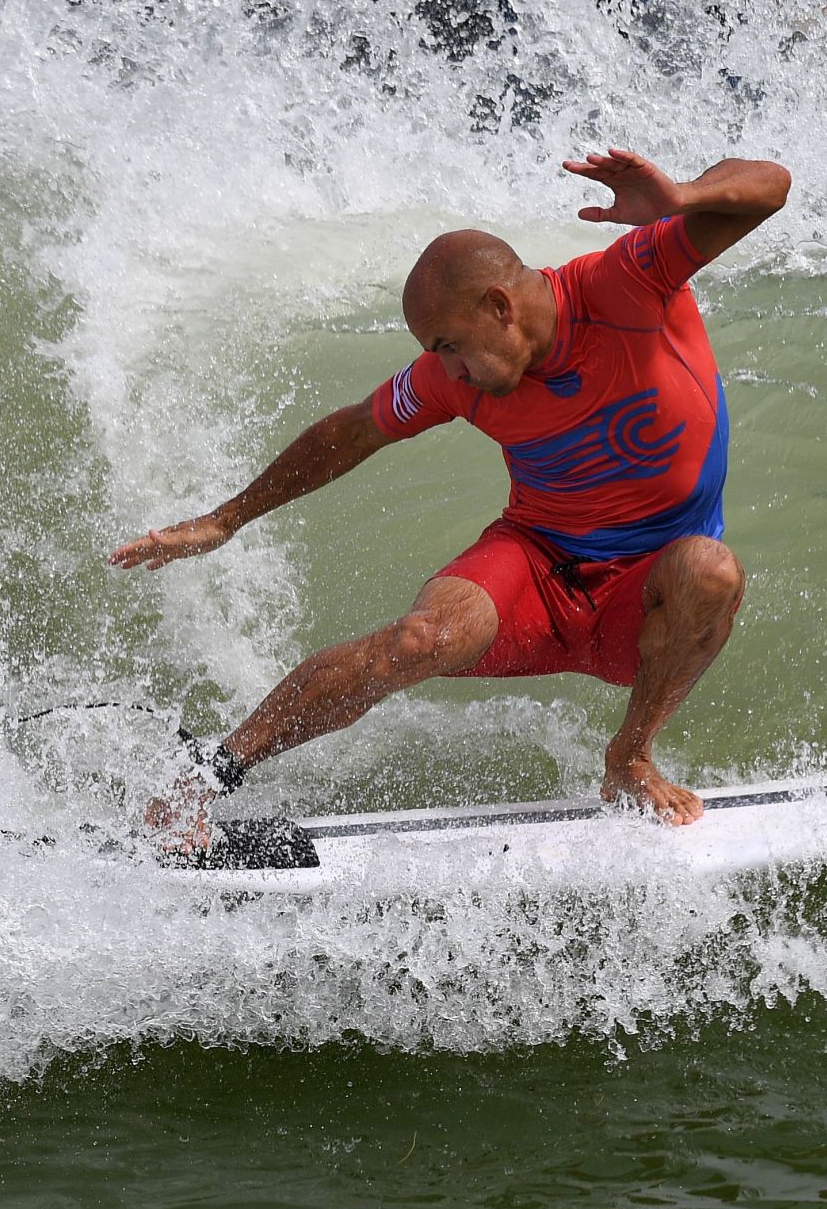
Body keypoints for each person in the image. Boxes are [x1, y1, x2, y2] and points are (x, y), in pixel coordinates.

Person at [109, 148, 792, 849]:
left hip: (647, 597)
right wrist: (225, 520)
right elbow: (352, 431)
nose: (445, 369)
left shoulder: (625, 283)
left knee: (711, 570)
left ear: (499, 307)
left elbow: (772, 186)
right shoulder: (452, 379)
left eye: (449, 345)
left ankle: (630, 758)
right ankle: (206, 776)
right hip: (538, 564)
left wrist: (681, 196)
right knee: (417, 639)